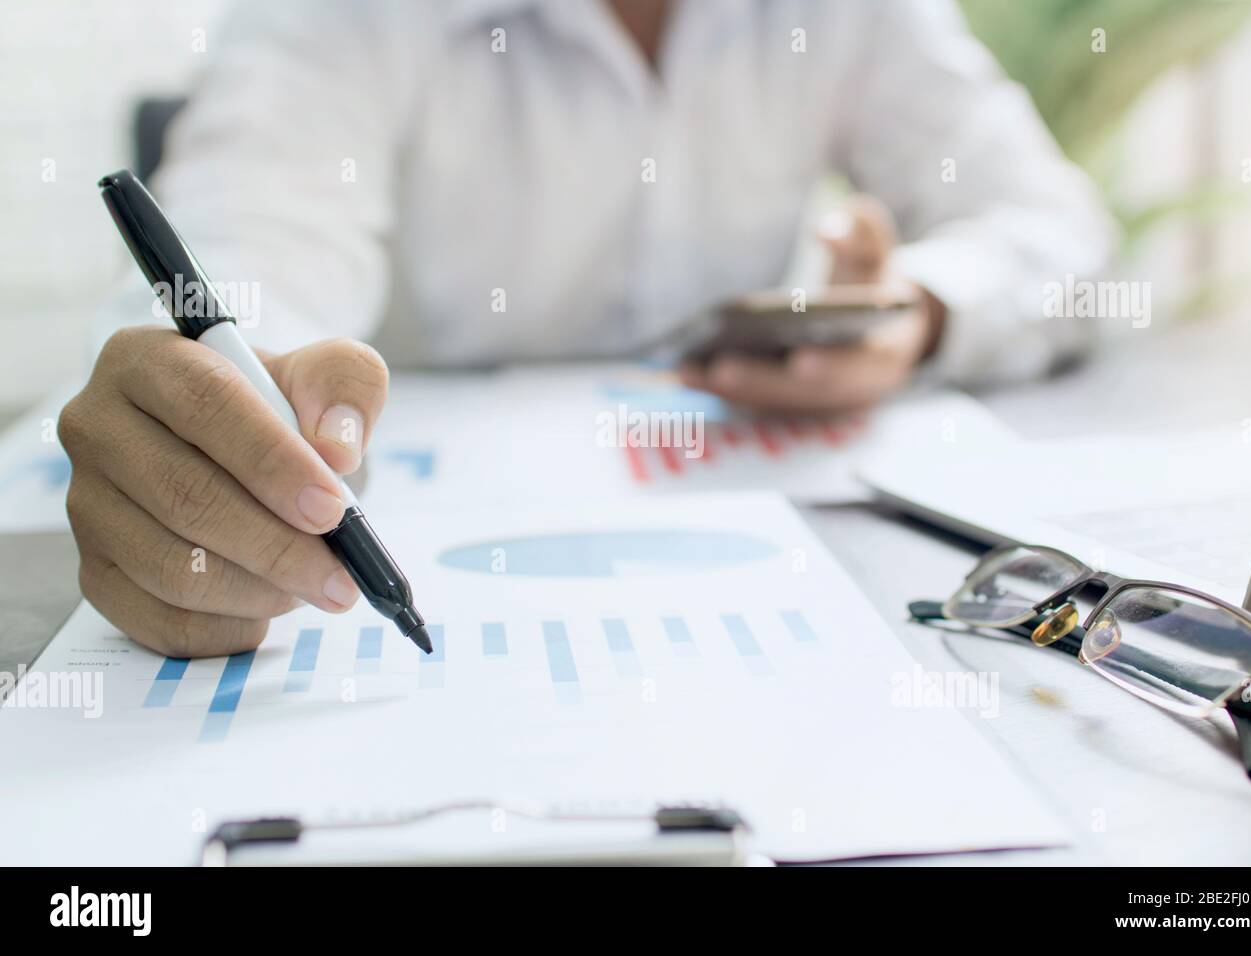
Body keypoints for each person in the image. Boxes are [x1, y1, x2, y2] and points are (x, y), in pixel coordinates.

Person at [58, 0, 1114, 656]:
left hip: (754, 511)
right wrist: (210, 414)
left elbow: (1057, 227)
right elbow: (245, 248)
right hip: (421, 502)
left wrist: (916, 314)